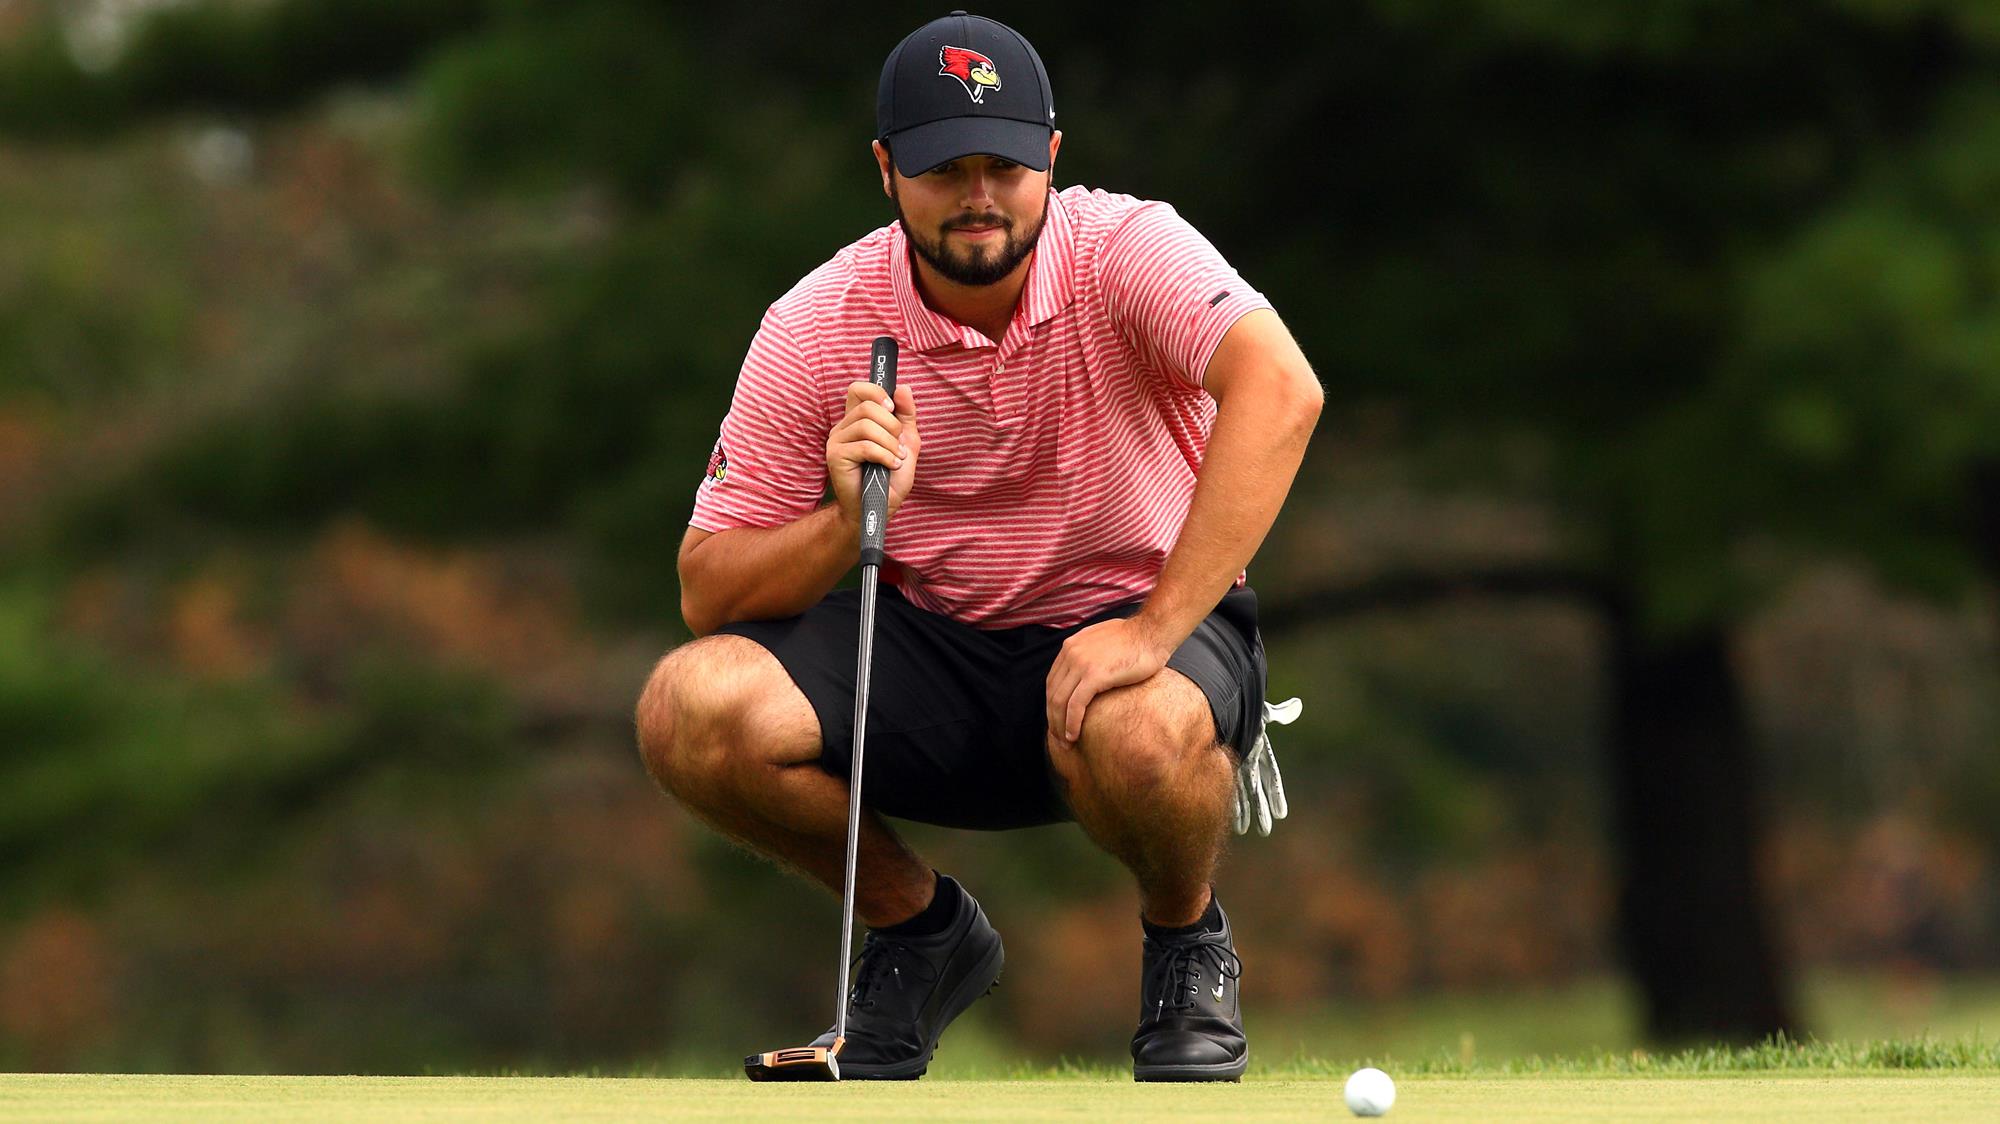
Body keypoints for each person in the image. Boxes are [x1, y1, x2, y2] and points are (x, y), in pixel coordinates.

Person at [635, 10, 1320, 1082]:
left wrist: (1152, 628)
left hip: (1136, 634)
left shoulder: (1127, 249)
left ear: (1049, 157)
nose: (977, 196)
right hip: (927, 652)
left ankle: (1184, 940)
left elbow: (1281, 390)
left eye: (1002, 164)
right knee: (690, 706)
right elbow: (706, 587)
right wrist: (844, 516)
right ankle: (922, 934)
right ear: (883, 170)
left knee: (1138, 730)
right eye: (942, 167)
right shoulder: (817, 321)